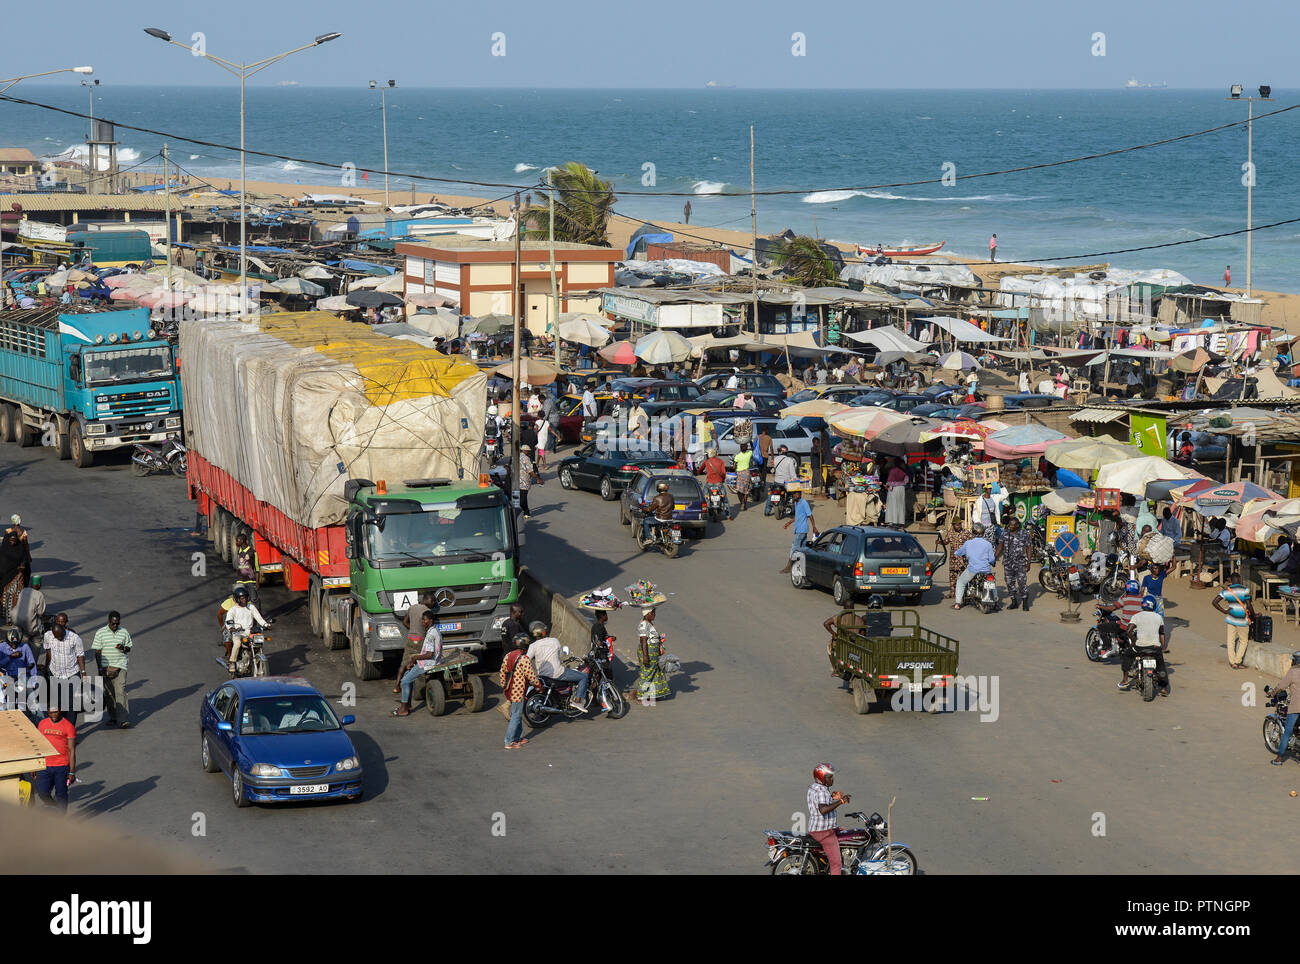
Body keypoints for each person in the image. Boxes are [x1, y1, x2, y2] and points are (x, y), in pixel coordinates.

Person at [527, 622, 589, 711]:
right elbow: (559, 655)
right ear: (544, 632)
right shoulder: (554, 641)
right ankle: (578, 701)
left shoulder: (533, 646)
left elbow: (527, 658)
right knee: (583, 677)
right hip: (558, 673)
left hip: (542, 675)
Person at [394, 610, 442, 717]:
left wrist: (415, 658)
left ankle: (403, 709)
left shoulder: (430, 635)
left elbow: (429, 654)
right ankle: (407, 704)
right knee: (407, 675)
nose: (422, 622)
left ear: (430, 620)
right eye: (422, 620)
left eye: (424, 620)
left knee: (405, 681)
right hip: (433, 660)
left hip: (428, 663)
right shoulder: (434, 630)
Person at [1119, 596, 1169, 696]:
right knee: (1161, 665)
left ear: (1142, 605)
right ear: (1154, 606)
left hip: (1140, 646)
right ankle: (1163, 688)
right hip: (1155, 647)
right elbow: (1162, 633)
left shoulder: (1136, 616)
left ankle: (1125, 680)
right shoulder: (1158, 617)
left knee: (1127, 655)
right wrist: (1163, 647)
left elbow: (1128, 631)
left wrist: (1134, 642)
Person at [807, 763, 850, 876]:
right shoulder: (822, 791)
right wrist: (840, 801)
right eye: (829, 777)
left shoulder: (814, 787)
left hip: (816, 828)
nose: (832, 779)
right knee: (836, 864)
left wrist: (832, 797)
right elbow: (823, 809)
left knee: (844, 832)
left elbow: (819, 801)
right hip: (824, 832)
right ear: (822, 778)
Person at [91, 611, 133, 728]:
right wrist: (100, 668)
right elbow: (97, 652)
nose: (115, 626)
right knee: (109, 694)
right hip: (106, 668)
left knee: (120, 691)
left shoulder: (124, 632)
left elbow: (128, 648)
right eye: (113, 623)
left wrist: (123, 647)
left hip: (120, 666)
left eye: (117, 624)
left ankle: (123, 719)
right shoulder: (100, 633)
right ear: (109, 621)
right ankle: (113, 717)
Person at [499, 633, 540, 749]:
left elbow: (502, 671)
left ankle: (518, 738)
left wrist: (504, 685)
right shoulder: (524, 659)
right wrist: (538, 686)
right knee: (516, 716)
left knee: (517, 713)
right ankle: (509, 741)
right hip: (518, 691)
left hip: (510, 690)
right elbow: (531, 676)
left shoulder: (508, 655)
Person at [42, 615, 85, 725]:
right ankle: (61, 728)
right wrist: (46, 667)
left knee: (71, 704)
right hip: (55, 673)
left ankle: (70, 730)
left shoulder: (74, 638)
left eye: (61, 637)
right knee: (58, 703)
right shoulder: (48, 636)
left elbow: (80, 655)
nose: (59, 639)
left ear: (64, 631)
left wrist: (83, 672)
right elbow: (48, 652)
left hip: (72, 673)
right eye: (57, 637)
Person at [35, 707, 76, 812]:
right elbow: (38, 746)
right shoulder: (42, 724)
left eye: (56, 712)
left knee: (61, 794)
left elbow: (71, 750)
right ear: (47, 712)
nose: (53, 714)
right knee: (42, 793)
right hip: (45, 765)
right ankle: (55, 807)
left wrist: (72, 772)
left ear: (60, 711)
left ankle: (60, 818)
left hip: (62, 767)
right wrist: (34, 766)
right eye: (51, 712)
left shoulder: (68, 726)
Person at [223, 586, 269, 675]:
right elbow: (228, 621)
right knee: (237, 644)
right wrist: (232, 628)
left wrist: (266, 625)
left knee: (259, 642)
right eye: (242, 598)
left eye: (246, 597)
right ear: (237, 599)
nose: (244, 600)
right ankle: (232, 662)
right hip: (238, 632)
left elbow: (258, 618)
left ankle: (256, 657)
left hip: (250, 631)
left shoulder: (251, 607)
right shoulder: (233, 609)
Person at [952, 523, 998, 609]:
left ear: (973, 532)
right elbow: (992, 559)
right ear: (983, 532)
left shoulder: (968, 543)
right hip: (986, 570)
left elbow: (958, 553)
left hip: (972, 569)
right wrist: (992, 562)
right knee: (993, 583)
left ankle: (957, 603)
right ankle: (996, 603)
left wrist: (957, 554)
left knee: (960, 582)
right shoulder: (988, 544)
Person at [1097, 580, 1143, 659]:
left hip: (1125, 627)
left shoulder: (1124, 598)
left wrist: (1100, 606)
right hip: (1139, 627)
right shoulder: (1142, 599)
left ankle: (1109, 648)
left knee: (1101, 627)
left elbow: (1112, 608)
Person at [1268, 652, 1300, 765]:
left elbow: (1282, 685)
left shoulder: (1293, 672)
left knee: (1287, 732)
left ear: (1295, 661)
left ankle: (1279, 758)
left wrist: (1272, 693)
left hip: (1296, 706)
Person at [1214, 582, 1255, 669]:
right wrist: (1254, 615)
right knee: (1243, 641)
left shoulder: (1226, 591)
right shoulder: (1245, 590)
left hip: (1231, 619)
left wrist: (1224, 611)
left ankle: (1232, 662)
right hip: (1242, 621)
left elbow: (1214, 602)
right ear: (1239, 579)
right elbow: (1249, 604)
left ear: (1231, 580)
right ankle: (1237, 661)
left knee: (1230, 641)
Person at [636, 606, 670, 703]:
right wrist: (645, 656)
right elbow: (643, 641)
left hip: (653, 652)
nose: (654, 615)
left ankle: (654, 694)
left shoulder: (649, 624)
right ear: (647, 614)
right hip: (648, 652)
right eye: (653, 613)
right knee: (647, 673)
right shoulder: (644, 625)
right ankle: (641, 695)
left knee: (655, 672)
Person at [999, 517, 1033, 611]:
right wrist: (994, 558)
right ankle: (1014, 602)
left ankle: (1025, 602)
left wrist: (1029, 562)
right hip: (1008, 563)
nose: (1010, 526)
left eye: (1013, 525)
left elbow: (1028, 548)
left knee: (1022, 583)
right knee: (1009, 582)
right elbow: (1000, 546)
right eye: (1010, 524)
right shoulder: (1005, 533)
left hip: (1020, 563)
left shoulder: (1025, 534)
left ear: (1017, 525)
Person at [781, 489, 818, 573]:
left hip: (802, 530)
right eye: (794, 494)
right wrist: (789, 523)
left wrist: (814, 527)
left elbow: (810, 515)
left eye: (797, 494)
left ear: (800, 495)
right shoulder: (795, 503)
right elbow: (797, 516)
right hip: (799, 529)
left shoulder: (804, 502)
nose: (795, 496)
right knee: (802, 549)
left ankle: (788, 567)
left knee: (794, 548)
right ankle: (803, 567)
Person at [0, 528, 31, 624]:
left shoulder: (20, 549)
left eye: (14, 540)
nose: (12, 542)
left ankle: (12, 620)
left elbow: (25, 560)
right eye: (11, 540)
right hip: (3, 578)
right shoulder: (3, 549)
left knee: (15, 599)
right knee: (4, 598)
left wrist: (23, 566)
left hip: (16, 578)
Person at [13, 573, 46, 642]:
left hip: (15, 619)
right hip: (28, 624)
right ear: (39, 585)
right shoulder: (39, 595)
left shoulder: (23, 590)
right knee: (38, 637)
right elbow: (41, 612)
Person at [517, 444, 541, 520]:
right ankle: (524, 511)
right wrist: (538, 479)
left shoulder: (517, 456)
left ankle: (526, 512)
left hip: (518, 480)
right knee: (523, 498)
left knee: (522, 497)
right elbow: (530, 471)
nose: (529, 452)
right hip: (524, 481)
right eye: (528, 451)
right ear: (525, 450)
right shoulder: (526, 458)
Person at [884, 458, 909, 528]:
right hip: (901, 489)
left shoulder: (893, 470)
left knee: (893, 505)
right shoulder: (904, 471)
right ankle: (901, 522)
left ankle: (893, 522)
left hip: (894, 489)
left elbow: (889, 482)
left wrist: (887, 486)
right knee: (901, 505)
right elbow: (906, 480)